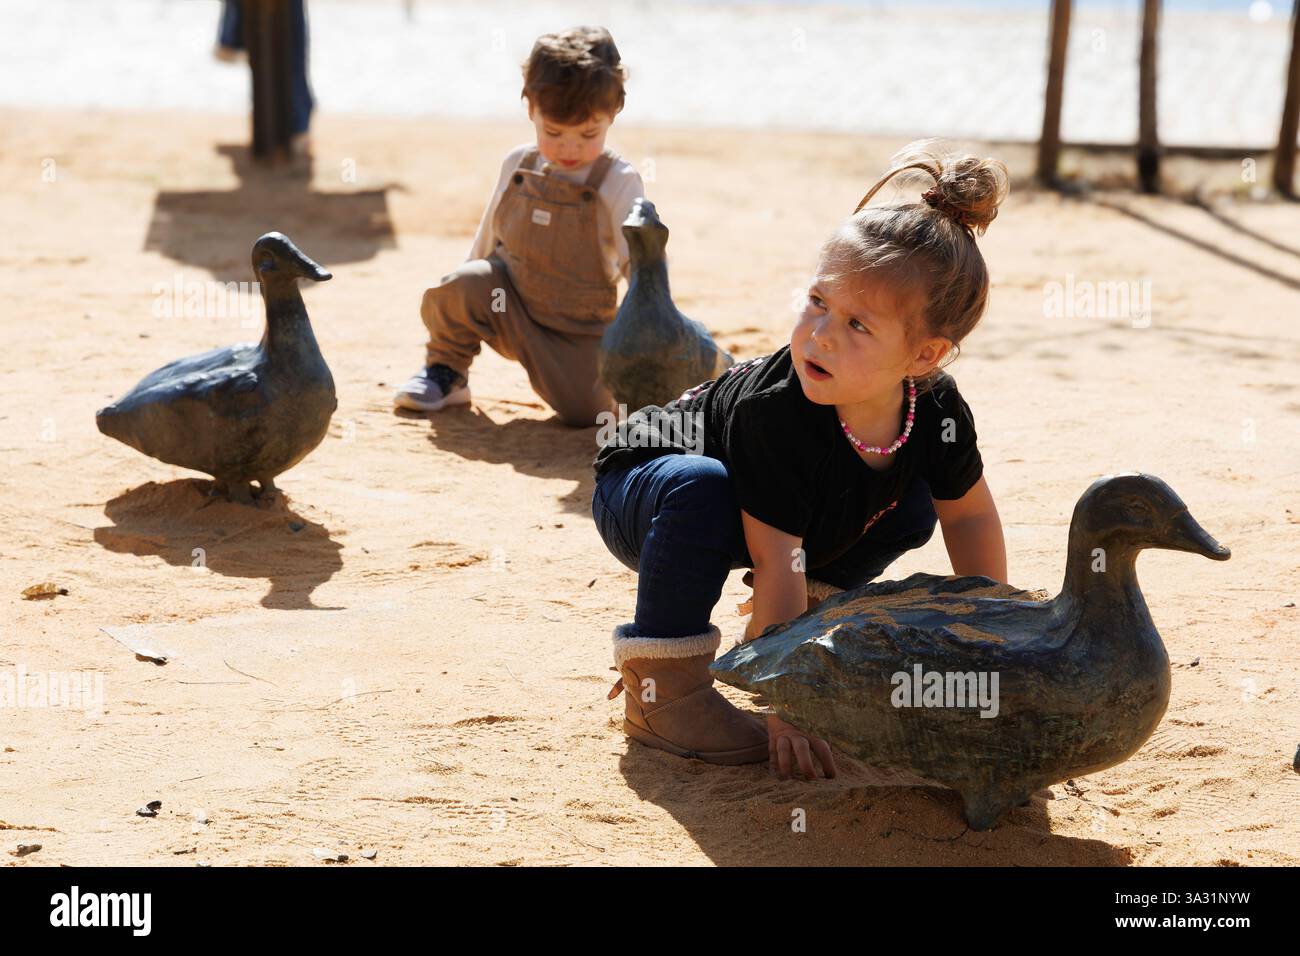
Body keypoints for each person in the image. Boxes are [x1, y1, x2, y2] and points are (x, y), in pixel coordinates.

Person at [590, 139, 1010, 779]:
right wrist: (788, 706)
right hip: (648, 488)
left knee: (916, 501)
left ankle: (802, 628)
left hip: (772, 513)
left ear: (924, 357)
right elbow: (776, 560)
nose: (819, 334)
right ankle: (663, 688)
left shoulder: (937, 411)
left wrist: (994, 634)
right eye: (817, 302)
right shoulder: (778, 412)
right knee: (701, 486)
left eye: (858, 325)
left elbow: (972, 519)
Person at [393, 26, 645, 426]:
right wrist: (457, 287)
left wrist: (642, 332)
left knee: (586, 414)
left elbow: (640, 266)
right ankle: (447, 372)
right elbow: (487, 237)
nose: (569, 147)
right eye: (553, 132)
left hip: (576, 331)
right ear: (531, 110)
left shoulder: (618, 181)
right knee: (463, 285)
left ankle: (599, 389)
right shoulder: (518, 165)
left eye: (588, 134)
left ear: (613, 113)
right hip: (507, 305)